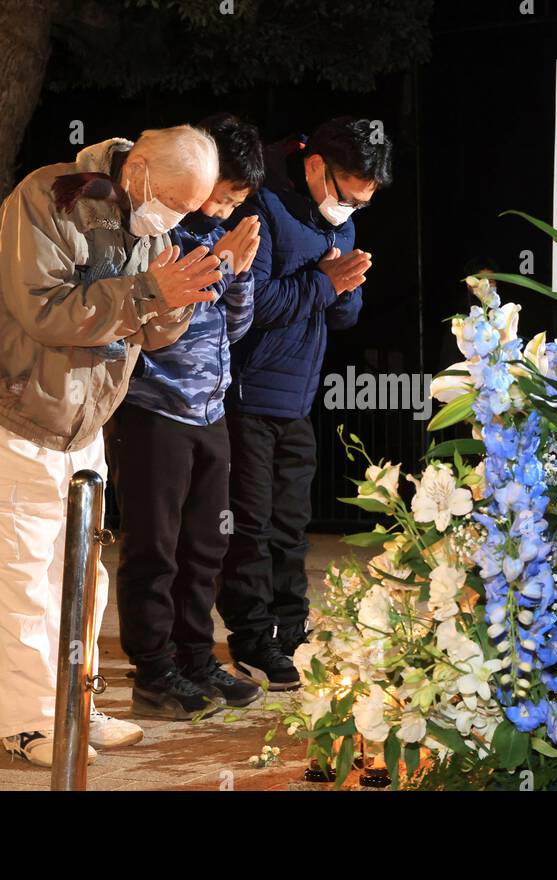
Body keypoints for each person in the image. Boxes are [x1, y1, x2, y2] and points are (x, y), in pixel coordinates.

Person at [0, 126, 223, 767]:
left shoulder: (150, 227)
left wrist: (179, 302)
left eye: (187, 210)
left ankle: (76, 705)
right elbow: (46, 310)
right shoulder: (48, 196)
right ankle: (28, 723)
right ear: (141, 169)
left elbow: (151, 336)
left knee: (80, 579)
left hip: (81, 427)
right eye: (173, 202)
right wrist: (152, 293)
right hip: (8, 413)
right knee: (20, 574)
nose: (175, 218)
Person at [219, 117, 393, 690]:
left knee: (292, 524)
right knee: (251, 525)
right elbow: (254, 301)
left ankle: (291, 631)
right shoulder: (264, 204)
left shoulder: (337, 225)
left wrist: (342, 289)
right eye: (347, 195)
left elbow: (346, 313)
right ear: (317, 165)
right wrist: (324, 283)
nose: (349, 209)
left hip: (298, 396)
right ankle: (250, 637)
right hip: (248, 393)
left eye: (362, 204)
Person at [110, 114, 265, 719]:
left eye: (237, 199)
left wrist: (239, 276)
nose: (224, 207)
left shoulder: (220, 238)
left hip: (210, 410)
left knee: (205, 547)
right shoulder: (163, 229)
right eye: (222, 193)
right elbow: (159, 334)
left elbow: (233, 329)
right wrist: (220, 266)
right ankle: (153, 670)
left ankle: (197, 658)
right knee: (155, 548)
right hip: (155, 409)